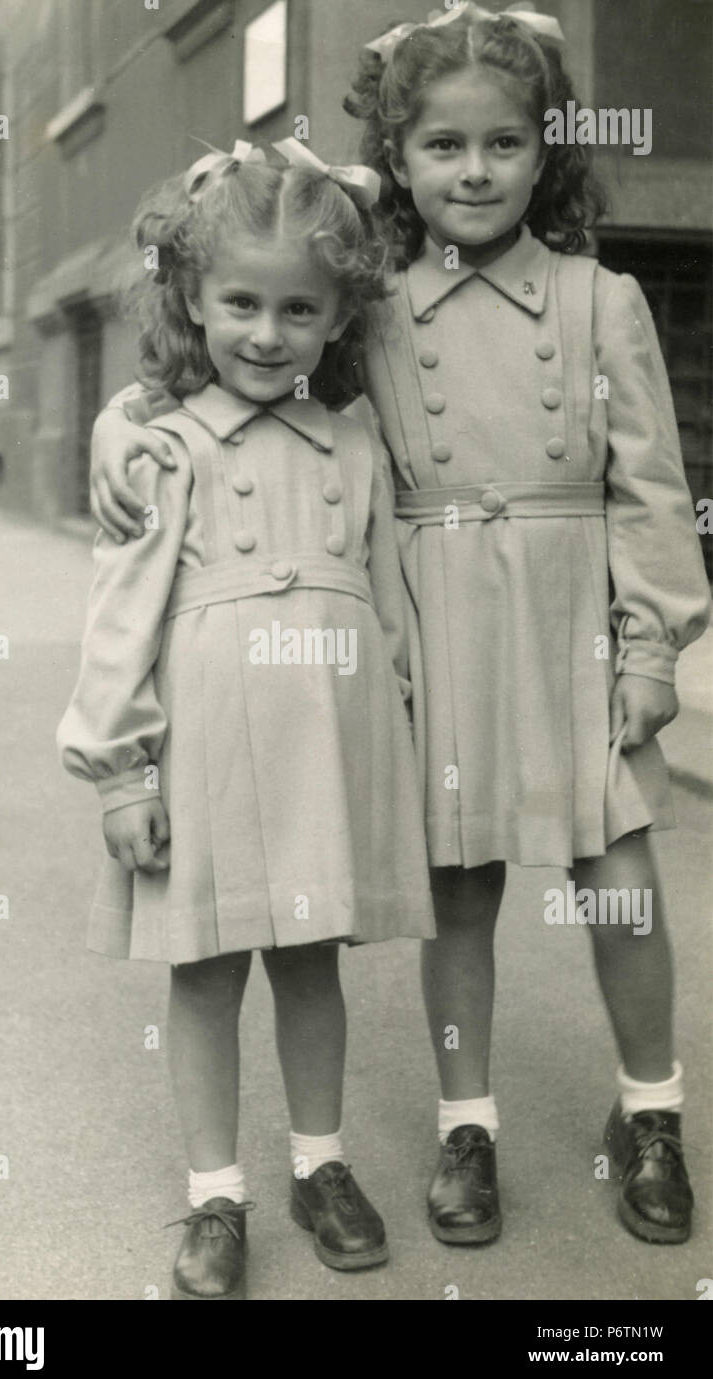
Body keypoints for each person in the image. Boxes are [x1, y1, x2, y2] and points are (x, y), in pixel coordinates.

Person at [87, 5, 711, 1249]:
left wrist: (651, 643)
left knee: (619, 881)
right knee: (460, 891)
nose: (471, 171)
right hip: (425, 614)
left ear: (546, 153)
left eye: (501, 144)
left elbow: (649, 485)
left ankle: (651, 1111)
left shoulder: (602, 300)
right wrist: (119, 423)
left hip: (564, 614)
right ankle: (463, 1125)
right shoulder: (362, 307)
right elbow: (227, 376)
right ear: (400, 155)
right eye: (440, 147)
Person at [57, 139, 435, 1300]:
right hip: (207, 755)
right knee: (208, 973)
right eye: (240, 304)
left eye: (298, 309)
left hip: (329, 746)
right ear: (192, 301)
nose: (267, 334)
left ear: (336, 318)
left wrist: (406, 728)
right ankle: (215, 1195)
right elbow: (119, 619)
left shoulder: (357, 442)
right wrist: (123, 772)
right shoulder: (161, 447)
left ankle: (319, 1165)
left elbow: (392, 603)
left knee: (312, 963)